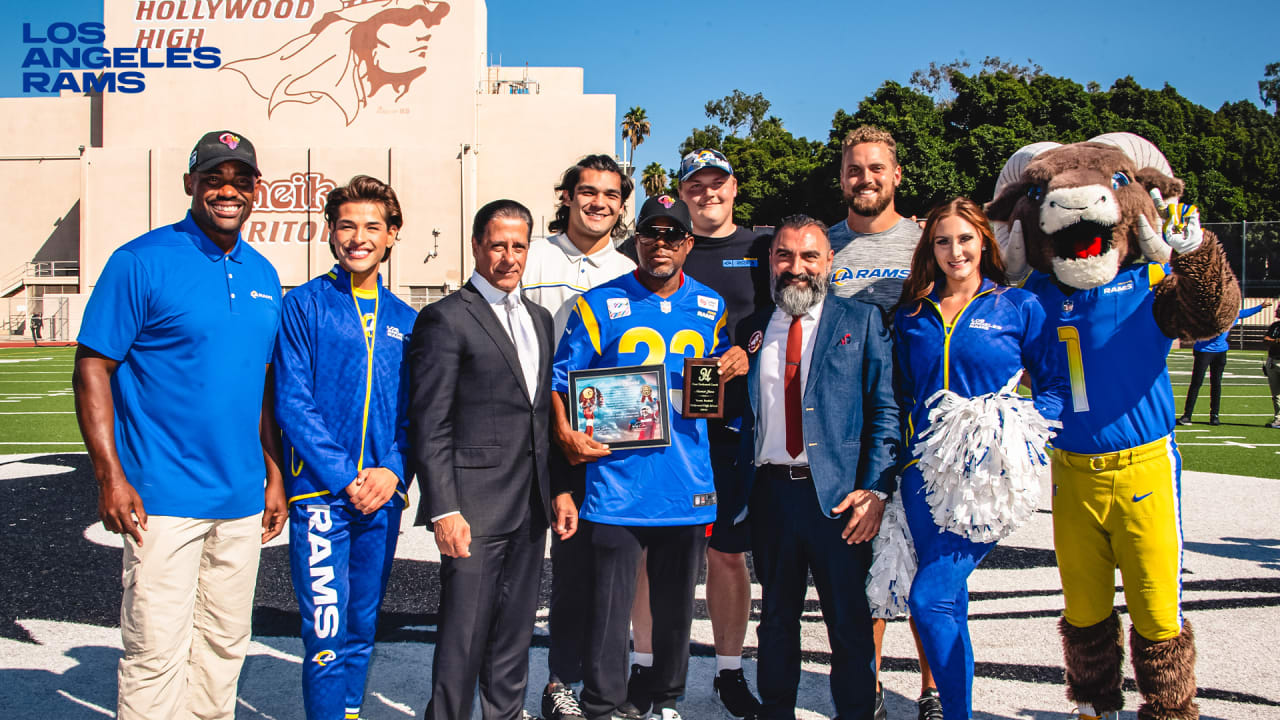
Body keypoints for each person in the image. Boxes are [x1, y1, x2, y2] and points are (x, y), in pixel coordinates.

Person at [72, 130, 286, 720]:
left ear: (255, 191)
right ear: (190, 183)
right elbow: (93, 365)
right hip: (161, 496)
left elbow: (262, 387)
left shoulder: (265, 274)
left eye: (241, 180)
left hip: (241, 496)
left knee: (224, 646)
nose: (228, 190)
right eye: (214, 178)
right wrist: (109, 475)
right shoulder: (140, 261)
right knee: (155, 648)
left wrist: (273, 474)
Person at [552, 195, 748, 720]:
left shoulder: (711, 307)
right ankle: (601, 704)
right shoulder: (597, 302)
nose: (660, 245)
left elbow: (718, 380)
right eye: (650, 234)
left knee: (675, 607)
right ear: (636, 238)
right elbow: (561, 381)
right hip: (616, 480)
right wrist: (567, 433)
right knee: (609, 608)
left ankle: (661, 700)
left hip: (685, 479)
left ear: (688, 243)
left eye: (672, 236)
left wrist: (735, 360)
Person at [892, 198, 1068, 720]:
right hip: (920, 477)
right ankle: (955, 708)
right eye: (943, 241)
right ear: (931, 248)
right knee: (949, 606)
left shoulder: (1018, 307)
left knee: (928, 599)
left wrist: (1025, 437)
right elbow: (901, 395)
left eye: (965, 239)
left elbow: (1055, 384)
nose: (955, 251)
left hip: (986, 480)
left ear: (984, 243)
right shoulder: (912, 313)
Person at [409, 199, 577, 720]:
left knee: (514, 634)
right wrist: (442, 509)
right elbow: (429, 422)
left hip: (531, 505)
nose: (509, 257)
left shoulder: (541, 319)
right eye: (498, 245)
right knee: (463, 639)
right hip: (472, 510)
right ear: (478, 245)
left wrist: (562, 488)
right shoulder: (444, 319)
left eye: (519, 246)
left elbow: (544, 418)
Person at [620, 148, 770, 718]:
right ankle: (644, 664)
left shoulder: (762, 246)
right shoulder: (656, 247)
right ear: (681, 193)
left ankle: (729, 672)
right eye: (696, 185)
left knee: (727, 555)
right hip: (655, 431)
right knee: (647, 554)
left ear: (734, 188)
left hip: (729, 427)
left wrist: (744, 352)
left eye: (717, 183)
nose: (708, 193)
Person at [731, 214, 899, 720]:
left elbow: (886, 412)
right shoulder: (752, 329)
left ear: (829, 261)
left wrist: (875, 491)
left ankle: (855, 711)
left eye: (808, 256)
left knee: (847, 621)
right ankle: (776, 709)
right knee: (776, 619)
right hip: (772, 495)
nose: (795, 267)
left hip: (840, 501)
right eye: (784, 255)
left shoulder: (862, 320)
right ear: (770, 263)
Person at [272, 175, 417, 720]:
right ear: (330, 231)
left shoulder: (408, 320)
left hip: (381, 498)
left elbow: (414, 416)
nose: (359, 237)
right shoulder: (304, 305)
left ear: (392, 235)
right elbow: (292, 402)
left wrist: (392, 473)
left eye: (372, 227)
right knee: (327, 633)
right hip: (321, 497)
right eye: (347, 225)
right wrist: (344, 475)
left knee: (362, 624)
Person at [830, 125, 940, 719]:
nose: (865, 178)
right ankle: (867, 687)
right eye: (854, 169)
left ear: (896, 175)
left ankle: (933, 688)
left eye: (876, 168)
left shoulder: (923, 244)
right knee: (863, 564)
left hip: (920, 424)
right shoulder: (823, 246)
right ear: (841, 177)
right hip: (852, 429)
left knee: (927, 566)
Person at [521, 154, 636, 720]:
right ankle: (544, 680)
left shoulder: (632, 268)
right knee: (521, 569)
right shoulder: (531, 257)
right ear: (565, 197)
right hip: (529, 431)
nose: (598, 203)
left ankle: (585, 684)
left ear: (622, 203)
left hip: (600, 439)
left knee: (593, 570)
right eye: (587, 192)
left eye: (610, 195)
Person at [1178, 302, 1269, 425]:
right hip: (1204, 351)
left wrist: (1260, 307)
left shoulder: (1229, 316)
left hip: (1220, 352)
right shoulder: (1206, 316)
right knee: (1196, 382)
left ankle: (1214, 416)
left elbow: (1243, 313)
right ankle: (1187, 415)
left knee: (1216, 383)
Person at [1265, 300, 1280, 429]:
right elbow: (1266, 339)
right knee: (1276, 394)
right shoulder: (1275, 326)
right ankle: (1278, 419)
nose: (1276, 311)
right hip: (1273, 360)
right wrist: (1276, 341)